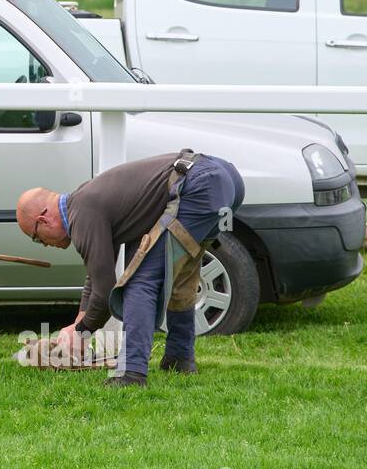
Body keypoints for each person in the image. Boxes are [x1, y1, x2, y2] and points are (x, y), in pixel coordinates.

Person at [15, 150, 245, 387]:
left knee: (140, 280)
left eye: (36, 237)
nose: (43, 244)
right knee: (182, 275)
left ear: (44, 220)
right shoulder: (84, 201)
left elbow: (105, 292)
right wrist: (78, 325)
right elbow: (97, 275)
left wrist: (83, 330)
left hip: (200, 185)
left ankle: (132, 373)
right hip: (224, 178)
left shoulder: (80, 215)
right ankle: (179, 358)